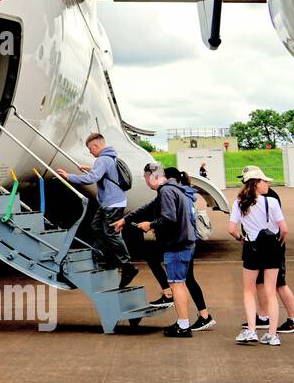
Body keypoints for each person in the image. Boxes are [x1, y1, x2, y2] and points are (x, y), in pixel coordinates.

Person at [113, 162, 196, 337]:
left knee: (177, 285)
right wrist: (126, 220)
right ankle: (183, 323)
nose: (145, 181)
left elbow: (168, 218)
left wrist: (149, 225)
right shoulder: (171, 189)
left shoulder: (166, 192)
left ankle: (183, 326)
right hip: (182, 243)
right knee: (178, 283)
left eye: (145, 178)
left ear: (153, 176)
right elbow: (148, 208)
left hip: (176, 245)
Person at [57, 133, 137, 287]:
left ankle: (128, 266)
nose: (89, 152)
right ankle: (111, 259)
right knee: (96, 226)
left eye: (90, 148)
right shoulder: (110, 157)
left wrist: (69, 177)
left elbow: (91, 179)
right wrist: (90, 168)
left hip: (112, 203)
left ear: (96, 146)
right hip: (111, 202)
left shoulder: (102, 159)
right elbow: (104, 172)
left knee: (111, 233)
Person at [228, 166, 288, 346]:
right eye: (264, 181)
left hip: (251, 248)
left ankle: (252, 330)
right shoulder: (272, 202)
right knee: (271, 292)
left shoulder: (239, 202)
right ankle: (272, 334)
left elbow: (231, 229)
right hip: (272, 248)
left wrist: (241, 238)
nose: (267, 183)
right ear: (256, 183)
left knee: (249, 291)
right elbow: (284, 229)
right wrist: (280, 240)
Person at [243, 170, 294, 335]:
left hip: (269, 245)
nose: (267, 184)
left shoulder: (270, 197)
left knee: (279, 284)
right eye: (265, 181)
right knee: (261, 284)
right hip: (266, 246)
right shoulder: (249, 199)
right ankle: (264, 317)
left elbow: (282, 227)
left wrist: (279, 240)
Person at [167, 168, 215, 330]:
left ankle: (195, 317)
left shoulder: (177, 196)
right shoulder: (188, 195)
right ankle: (204, 315)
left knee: (180, 281)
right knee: (189, 279)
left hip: (182, 243)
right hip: (191, 241)